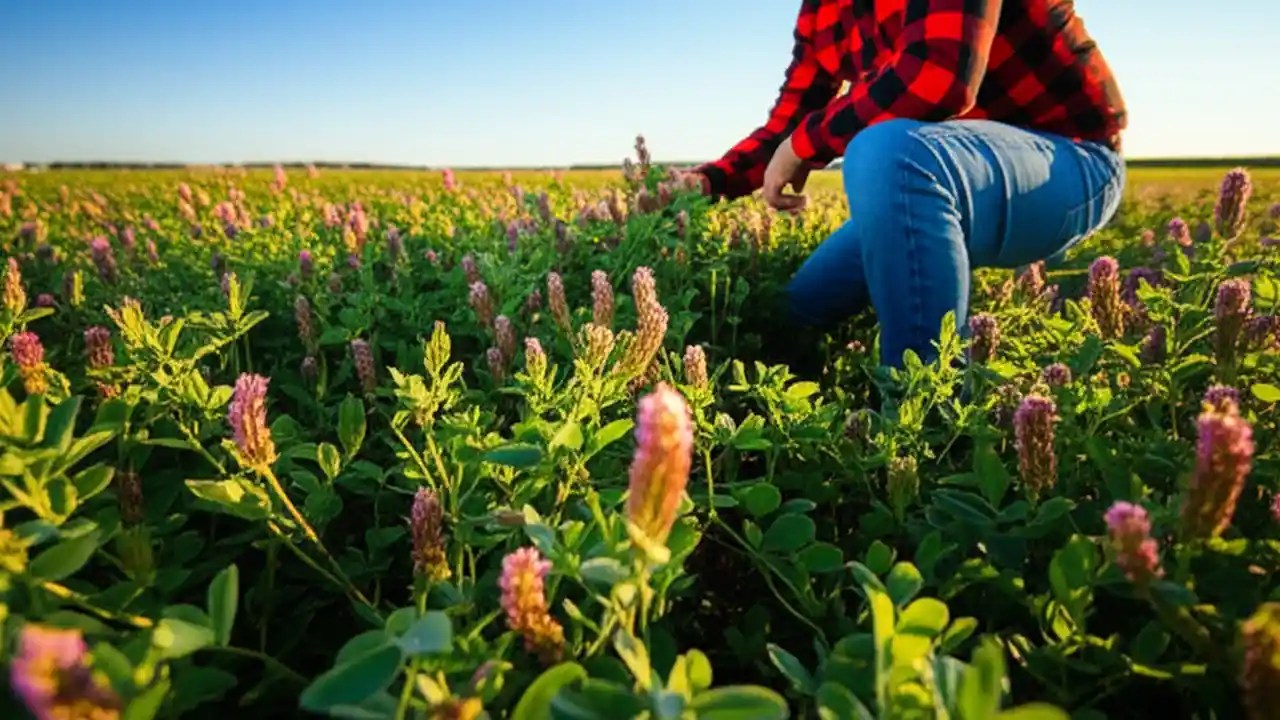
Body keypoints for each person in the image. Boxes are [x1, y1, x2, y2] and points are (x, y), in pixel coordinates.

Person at [684, 0, 1126, 368]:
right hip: (941, 174)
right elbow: (787, 126)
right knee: (797, 307)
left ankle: (922, 430)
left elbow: (939, 76)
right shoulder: (820, 13)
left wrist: (805, 143)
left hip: (1072, 161)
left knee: (883, 150)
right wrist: (704, 183)